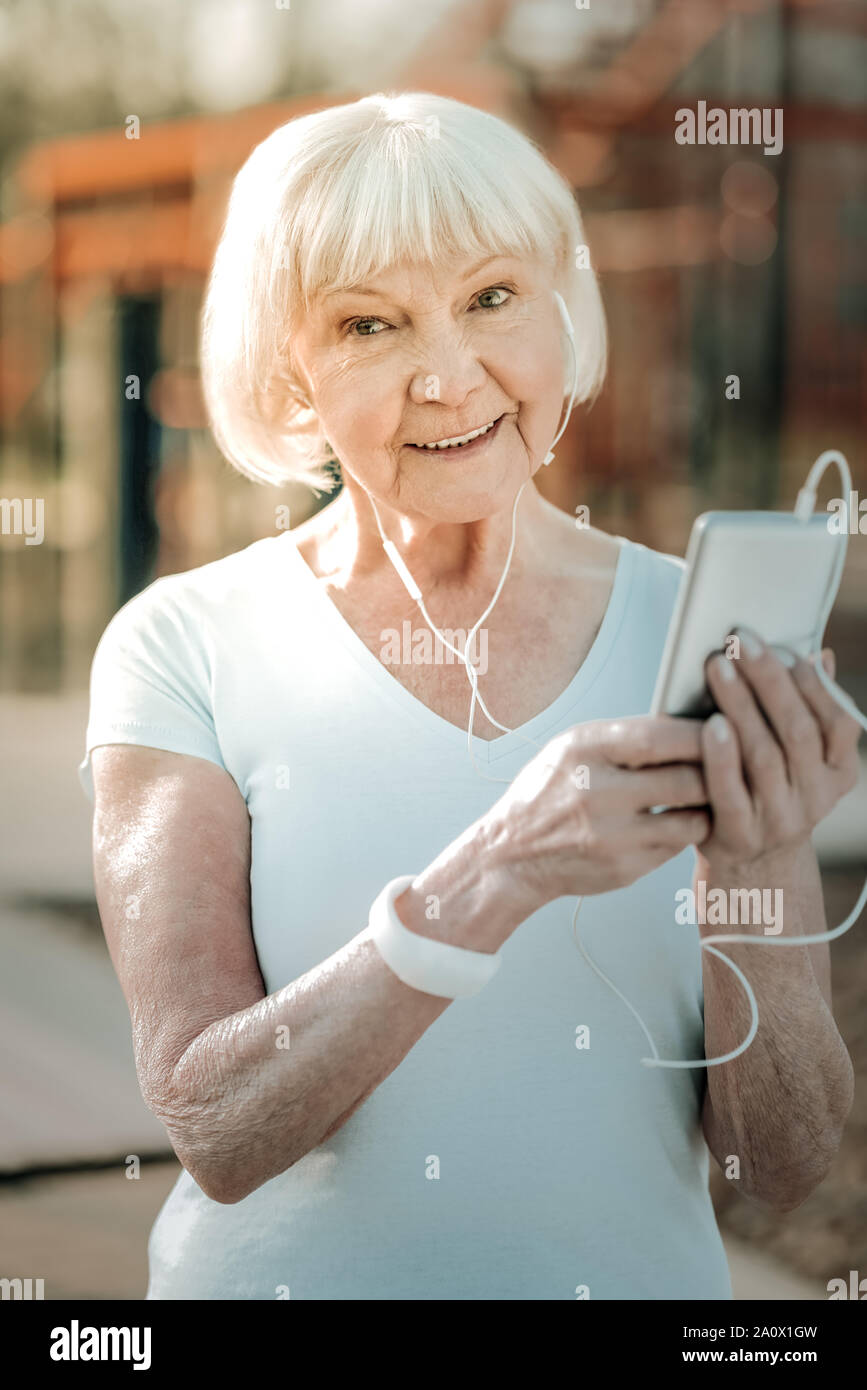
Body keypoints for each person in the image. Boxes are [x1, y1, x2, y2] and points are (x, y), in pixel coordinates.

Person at [80, 92, 859, 1300]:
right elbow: (218, 1127)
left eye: (493, 298)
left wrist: (752, 860)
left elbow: (778, 1164)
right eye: (369, 324)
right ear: (290, 373)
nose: (449, 378)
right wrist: (497, 873)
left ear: (563, 307)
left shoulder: (693, 633)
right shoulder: (182, 643)